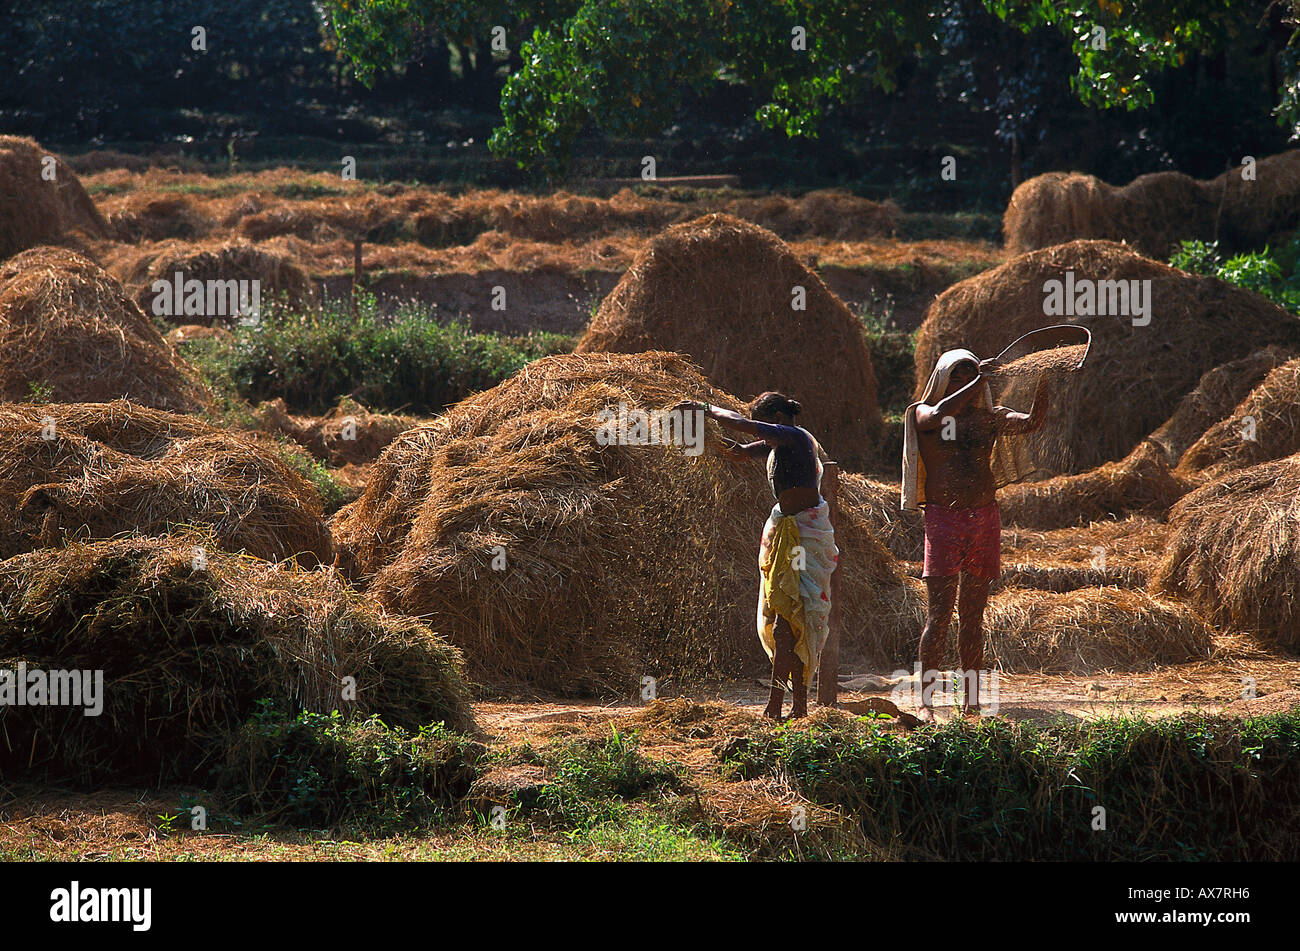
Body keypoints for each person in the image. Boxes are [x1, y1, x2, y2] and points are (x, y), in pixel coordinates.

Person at [901, 349, 1049, 721]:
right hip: (944, 519)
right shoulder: (923, 412)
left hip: (984, 518)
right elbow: (938, 415)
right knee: (939, 615)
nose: (965, 381)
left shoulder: (989, 418)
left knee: (973, 617)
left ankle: (971, 701)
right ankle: (925, 702)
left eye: (970, 374)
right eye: (957, 375)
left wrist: (1045, 379)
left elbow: (1032, 422)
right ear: (941, 380)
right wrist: (979, 380)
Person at [673, 392, 837, 719]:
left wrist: (706, 409)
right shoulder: (778, 444)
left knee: (791, 622)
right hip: (789, 534)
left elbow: (744, 426)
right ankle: (796, 707)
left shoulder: (794, 436)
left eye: (763, 422)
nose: (760, 430)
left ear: (776, 416)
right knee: (787, 621)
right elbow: (739, 454)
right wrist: (706, 437)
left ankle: (780, 705)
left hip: (804, 537)